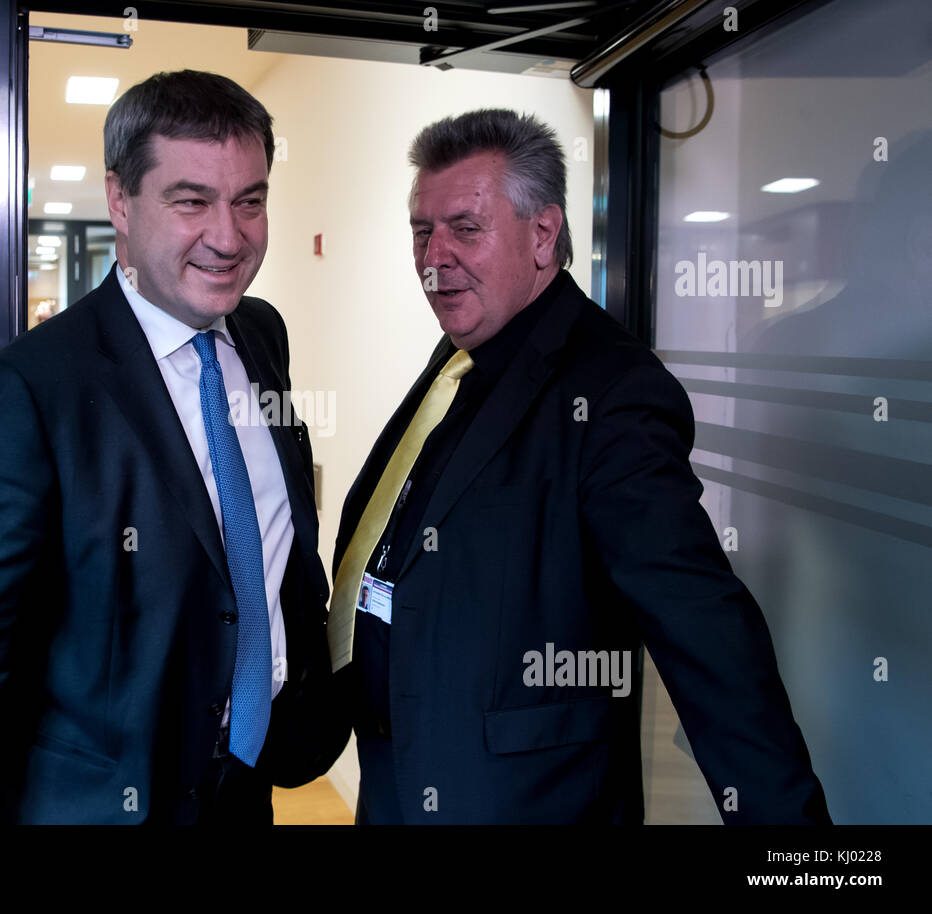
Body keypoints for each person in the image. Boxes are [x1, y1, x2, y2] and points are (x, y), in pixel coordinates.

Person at [330, 108, 830, 825]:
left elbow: (705, 633)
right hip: (401, 782)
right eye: (421, 230)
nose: (435, 258)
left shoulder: (612, 391)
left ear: (543, 234)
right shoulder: (460, 356)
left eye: (465, 228)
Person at [0, 70, 348, 824]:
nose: (228, 237)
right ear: (119, 201)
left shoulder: (261, 336)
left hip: (244, 792)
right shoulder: (29, 393)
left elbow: (270, 546)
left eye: (250, 201)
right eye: (191, 200)